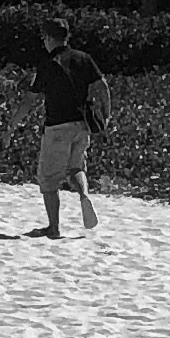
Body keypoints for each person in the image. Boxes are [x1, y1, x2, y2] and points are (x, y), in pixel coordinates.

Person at [31, 18, 106, 236]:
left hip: (57, 127)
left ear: (48, 38)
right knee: (76, 168)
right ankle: (84, 195)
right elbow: (103, 86)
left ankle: (53, 227)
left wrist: (11, 127)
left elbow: (30, 99)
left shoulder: (48, 63)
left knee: (49, 180)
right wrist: (106, 115)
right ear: (67, 37)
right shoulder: (84, 58)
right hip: (81, 125)